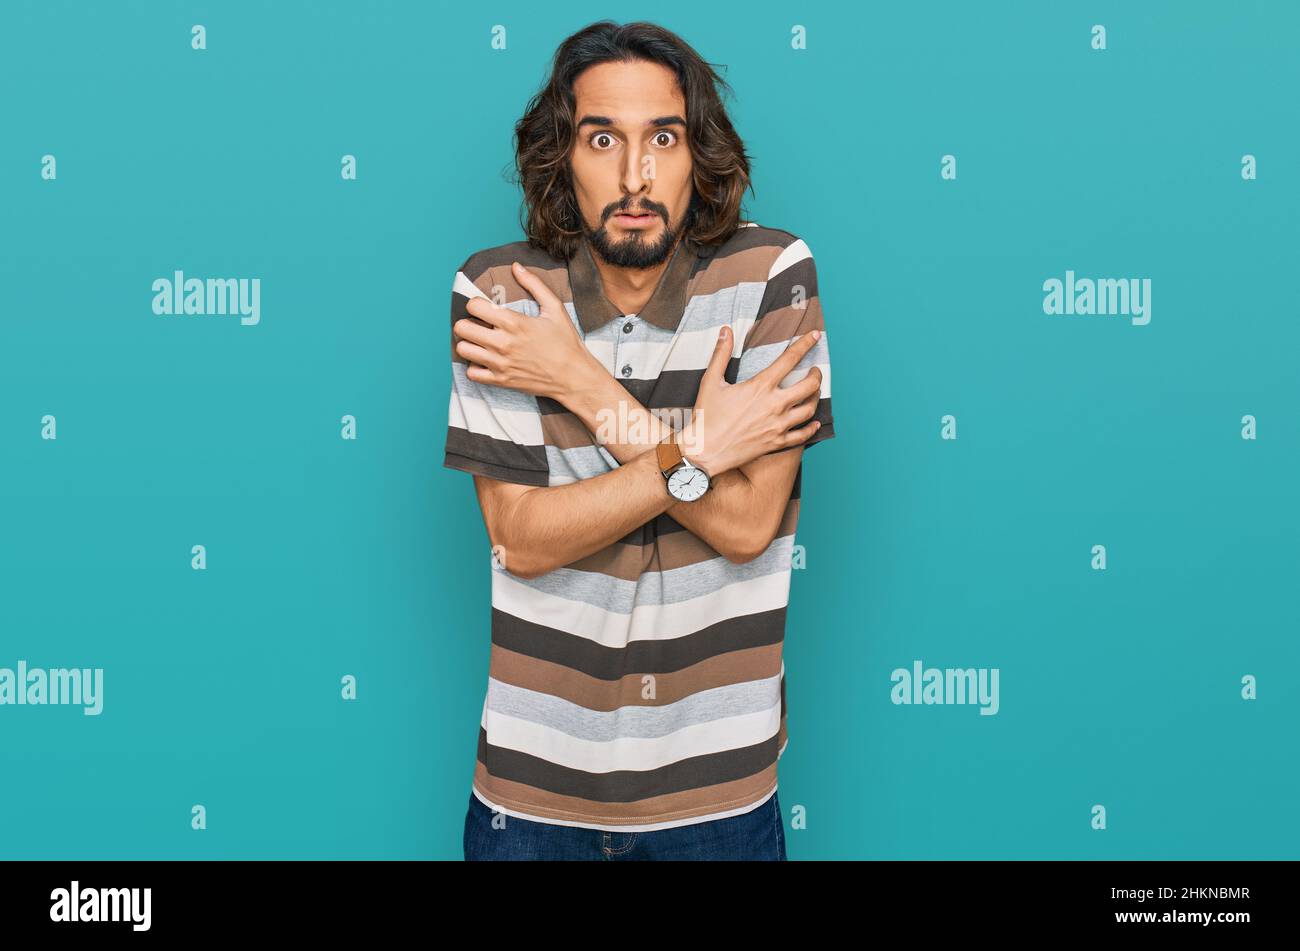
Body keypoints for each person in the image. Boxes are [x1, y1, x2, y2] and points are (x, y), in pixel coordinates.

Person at [444, 20, 834, 860]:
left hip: (719, 799)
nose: (635, 176)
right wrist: (699, 450)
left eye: (663, 136)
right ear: (561, 156)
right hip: (530, 799)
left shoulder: (772, 278)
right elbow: (522, 539)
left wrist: (576, 381)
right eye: (601, 139)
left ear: (700, 152)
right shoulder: (500, 296)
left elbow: (743, 527)